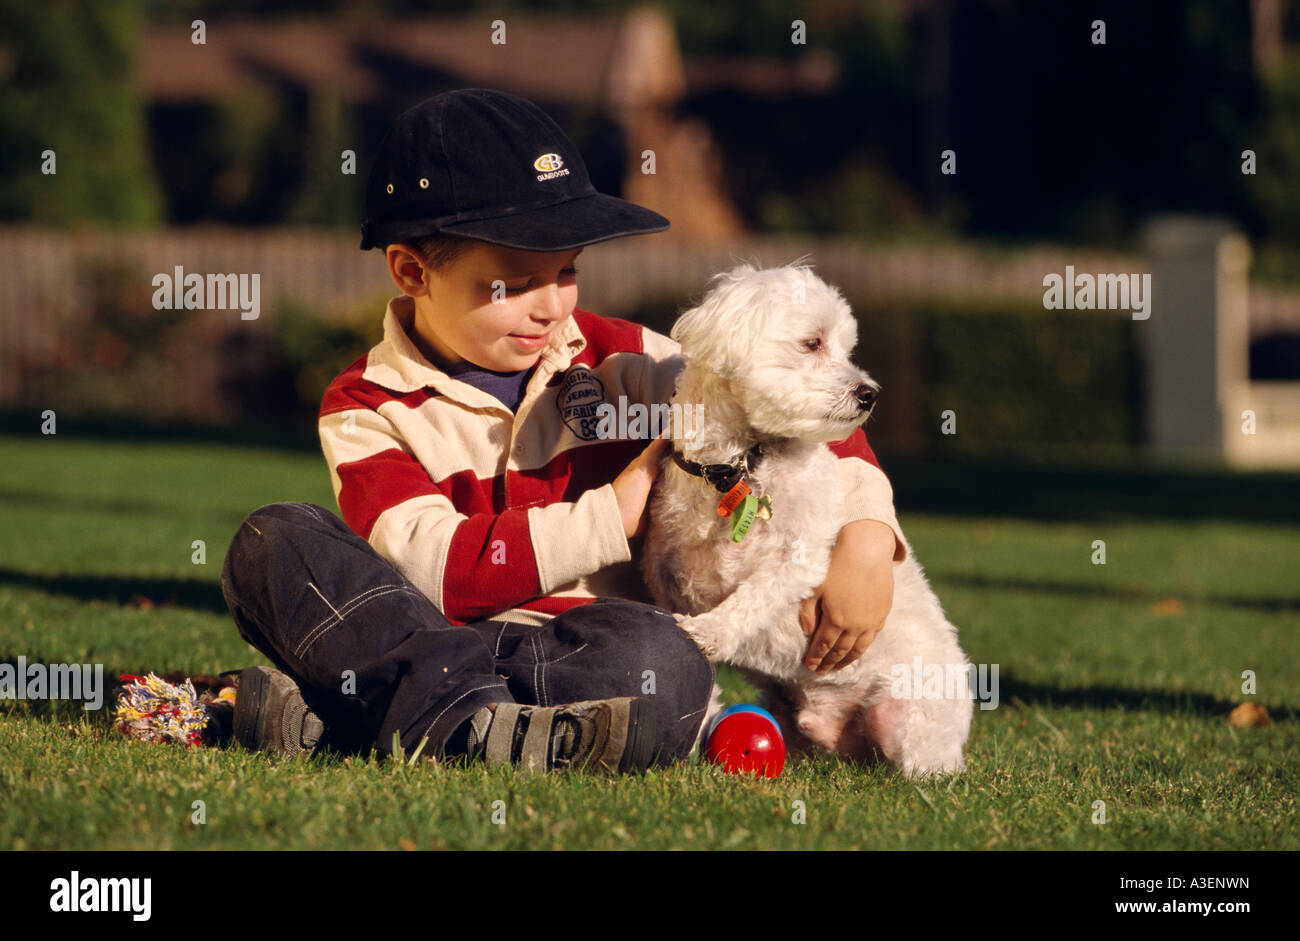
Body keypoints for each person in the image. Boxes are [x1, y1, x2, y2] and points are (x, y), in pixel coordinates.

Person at [219, 88, 903, 774]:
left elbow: (779, 399)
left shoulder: (629, 358)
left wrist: (869, 535)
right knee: (271, 542)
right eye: (514, 284)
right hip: (431, 629)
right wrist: (610, 515)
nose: (551, 304)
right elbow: (436, 568)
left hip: (584, 653)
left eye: (567, 271)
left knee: (663, 663)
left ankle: (372, 713)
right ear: (411, 270)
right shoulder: (366, 403)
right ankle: (489, 724)